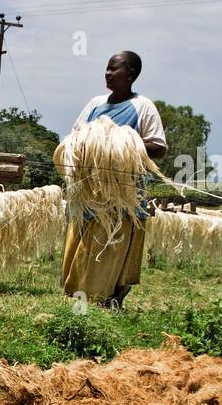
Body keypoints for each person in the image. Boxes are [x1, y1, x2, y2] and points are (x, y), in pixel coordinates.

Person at [61, 50, 167, 308]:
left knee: (114, 251)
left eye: (114, 69)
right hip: (88, 198)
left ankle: (107, 301)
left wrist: (120, 143)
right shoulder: (95, 104)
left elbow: (159, 147)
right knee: (82, 250)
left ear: (130, 74)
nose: (107, 73)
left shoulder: (143, 107)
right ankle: (80, 300)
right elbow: (73, 139)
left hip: (123, 200)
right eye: (106, 68)